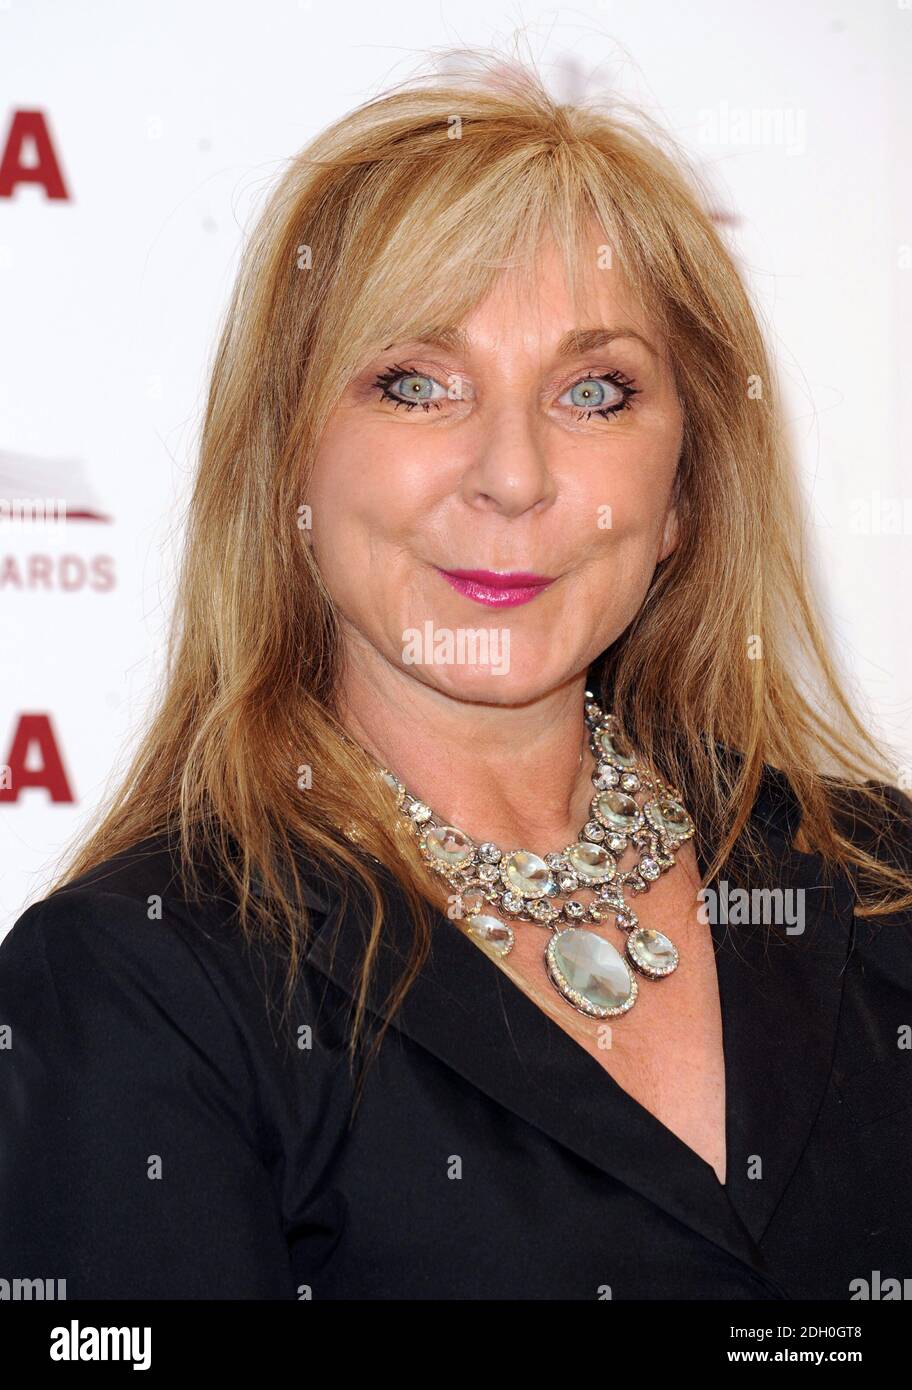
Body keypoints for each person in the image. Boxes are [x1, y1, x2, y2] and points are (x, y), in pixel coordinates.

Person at [2, 54, 911, 1301]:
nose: (515, 474)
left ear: (686, 492)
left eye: (595, 393)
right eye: (417, 385)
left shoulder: (876, 888)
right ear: (288, 472)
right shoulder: (140, 981)